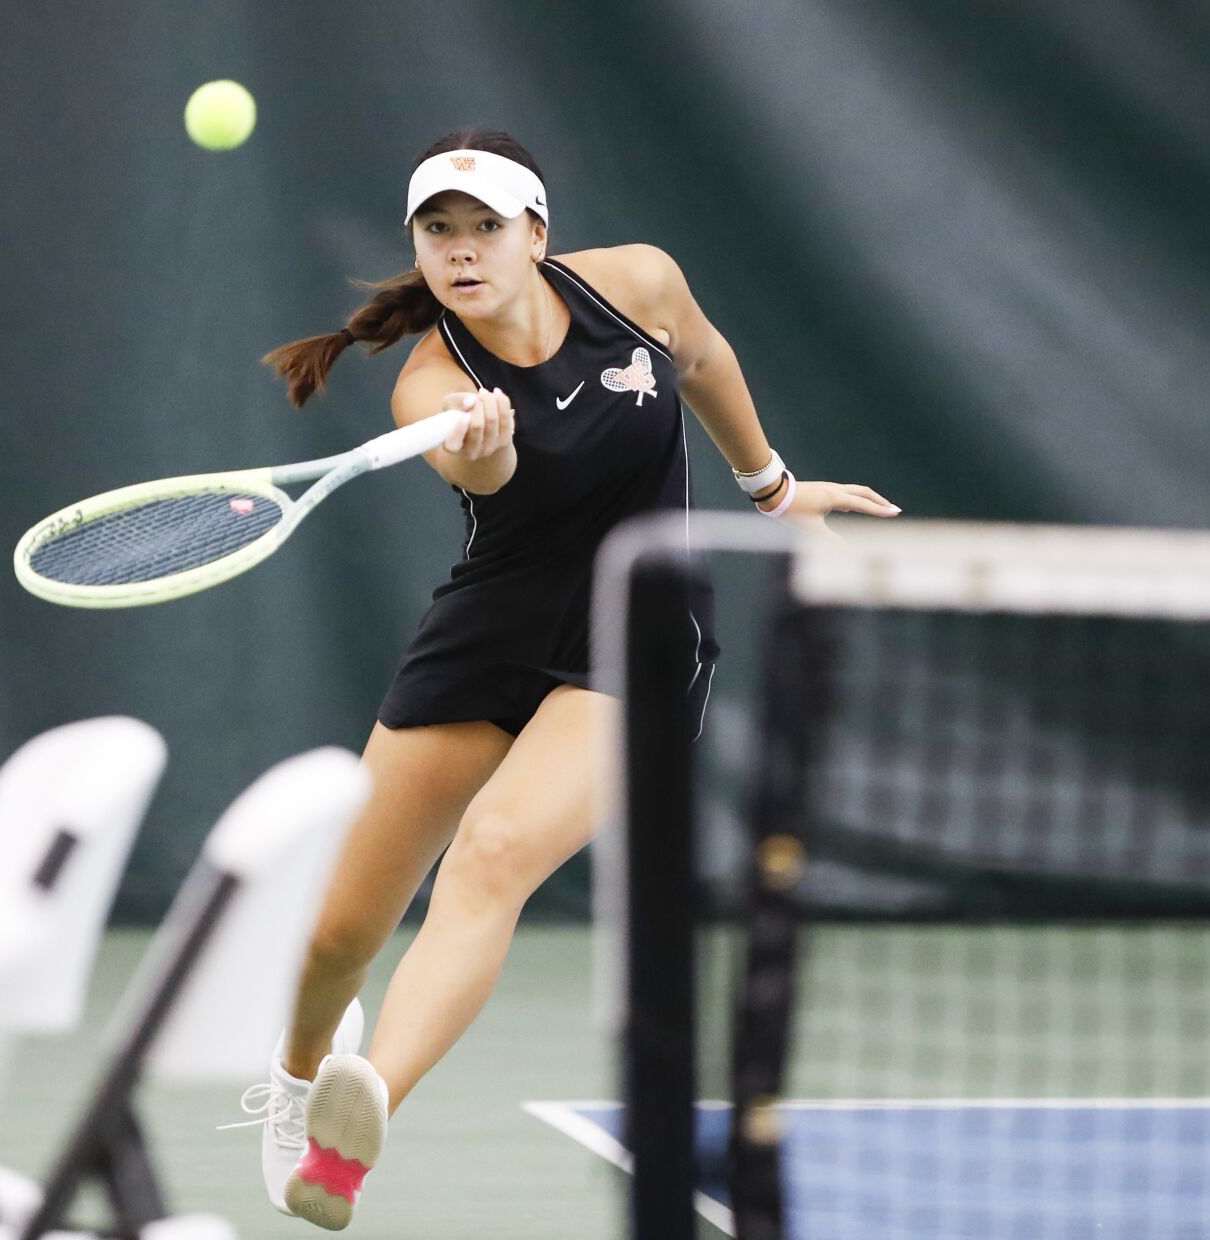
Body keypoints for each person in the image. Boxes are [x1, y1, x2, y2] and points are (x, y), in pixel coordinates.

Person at [233, 127, 900, 1231]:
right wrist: (483, 445)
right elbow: (483, 472)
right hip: (493, 622)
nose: (460, 248)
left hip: (636, 625)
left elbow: (706, 360)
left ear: (535, 233)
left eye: (484, 225)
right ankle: (304, 1076)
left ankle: (358, 1124)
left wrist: (774, 490)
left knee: (492, 856)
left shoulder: (635, 285)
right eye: (436, 230)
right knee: (333, 936)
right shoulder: (433, 383)